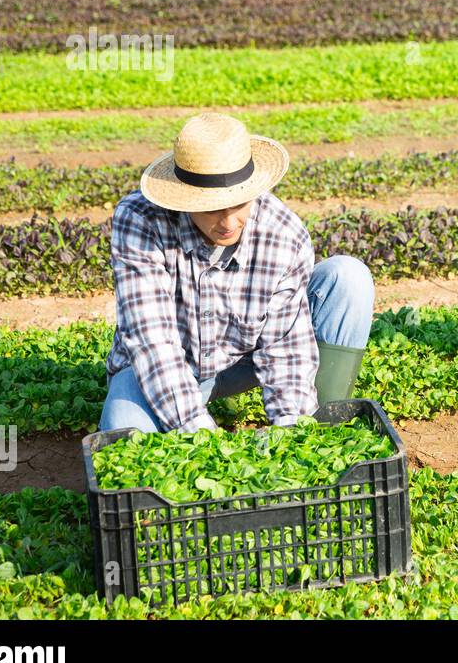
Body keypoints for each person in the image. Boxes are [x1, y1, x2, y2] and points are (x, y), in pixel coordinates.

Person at [100, 113, 374, 433]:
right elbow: (152, 341)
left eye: (239, 203)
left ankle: (323, 426)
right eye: (212, 207)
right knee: (125, 430)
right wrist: (204, 436)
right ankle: (184, 416)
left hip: (242, 362)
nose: (229, 223)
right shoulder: (141, 220)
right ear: (184, 198)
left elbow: (285, 348)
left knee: (348, 276)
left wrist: (295, 439)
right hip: (159, 370)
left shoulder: (283, 232)